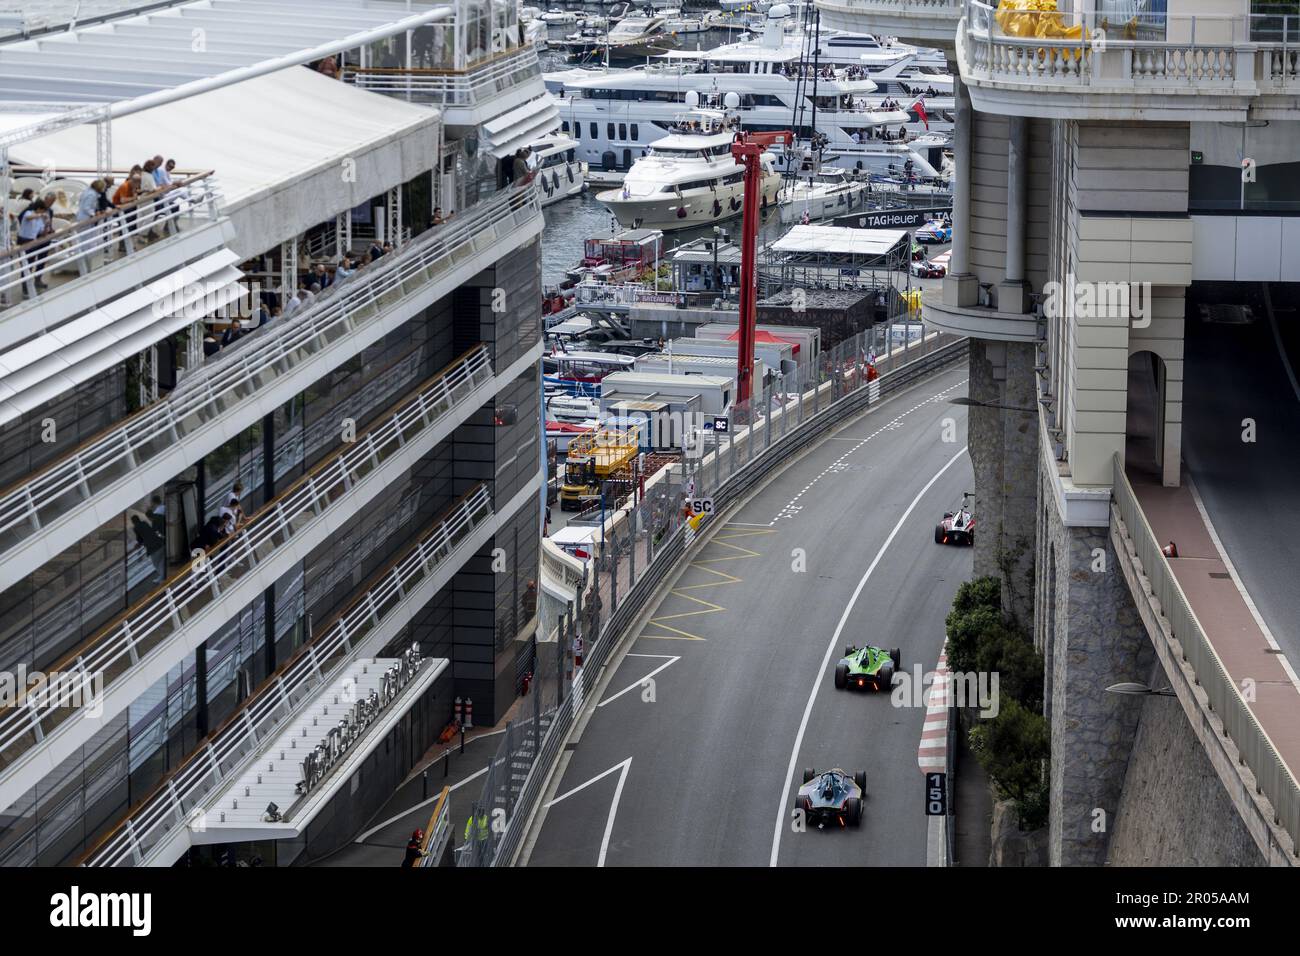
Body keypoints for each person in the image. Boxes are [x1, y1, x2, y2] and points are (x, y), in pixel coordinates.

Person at [16, 198, 51, 292]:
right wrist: (40, 215)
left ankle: (29, 285)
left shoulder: (40, 220)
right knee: (26, 264)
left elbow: (42, 233)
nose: (44, 212)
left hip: (33, 241)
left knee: (31, 262)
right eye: (43, 210)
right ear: (39, 209)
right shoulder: (29, 212)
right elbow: (28, 218)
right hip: (24, 240)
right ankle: (25, 287)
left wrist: (47, 225)